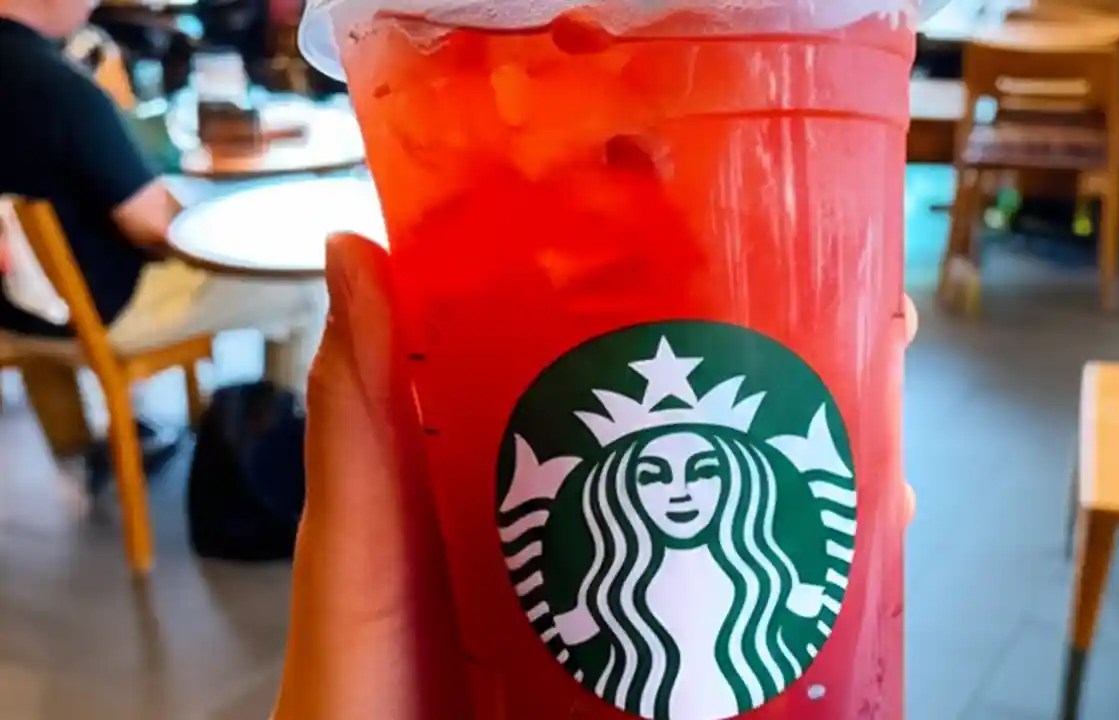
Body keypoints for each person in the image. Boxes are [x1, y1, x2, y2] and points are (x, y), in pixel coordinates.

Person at [275, 232, 919, 719]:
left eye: (703, 469)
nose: (680, 490)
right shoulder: (592, 611)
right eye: (651, 475)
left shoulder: (785, 595)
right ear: (618, 491)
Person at [0, 0, 323, 404]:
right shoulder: (62, 87)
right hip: (100, 313)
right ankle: (283, 446)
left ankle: (75, 448)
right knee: (308, 291)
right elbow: (154, 226)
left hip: (14, 313)